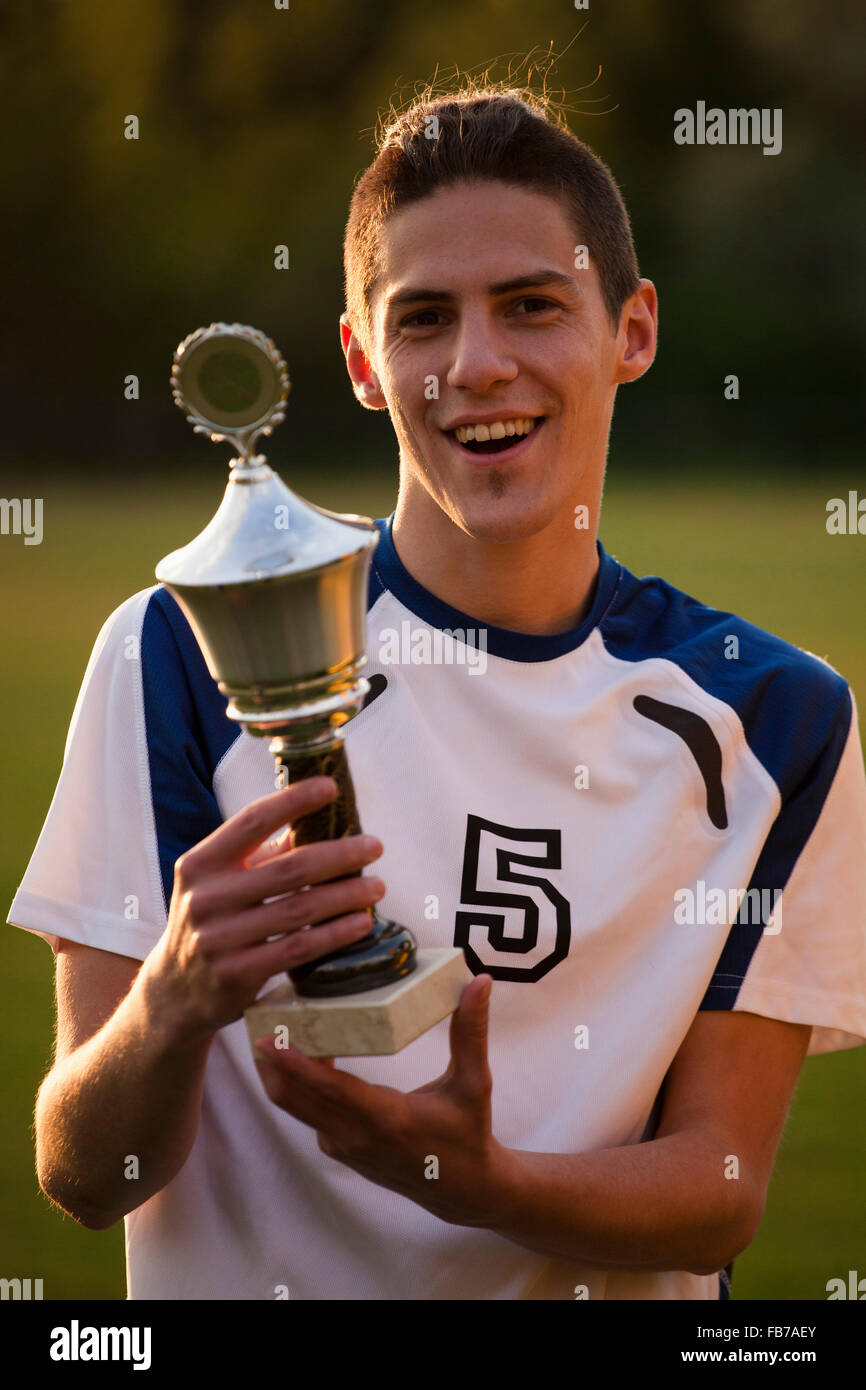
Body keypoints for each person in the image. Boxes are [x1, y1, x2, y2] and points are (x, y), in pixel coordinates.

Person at [9, 83, 866, 1302]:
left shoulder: (775, 715)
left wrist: (472, 1179)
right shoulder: (178, 646)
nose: (476, 364)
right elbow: (86, 1176)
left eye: (530, 305)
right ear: (362, 360)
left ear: (631, 330)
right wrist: (173, 1000)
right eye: (423, 319)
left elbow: (720, 1188)